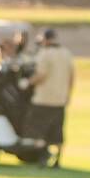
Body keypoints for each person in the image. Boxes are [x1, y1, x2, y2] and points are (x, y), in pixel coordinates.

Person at [25, 28, 75, 168]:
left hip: (43, 99)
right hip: (60, 99)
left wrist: (28, 83)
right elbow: (71, 77)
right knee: (57, 131)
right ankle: (57, 161)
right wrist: (68, 95)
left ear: (45, 40)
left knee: (40, 131)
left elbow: (41, 75)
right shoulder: (66, 53)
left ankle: (42, 158)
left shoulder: (44, 54)